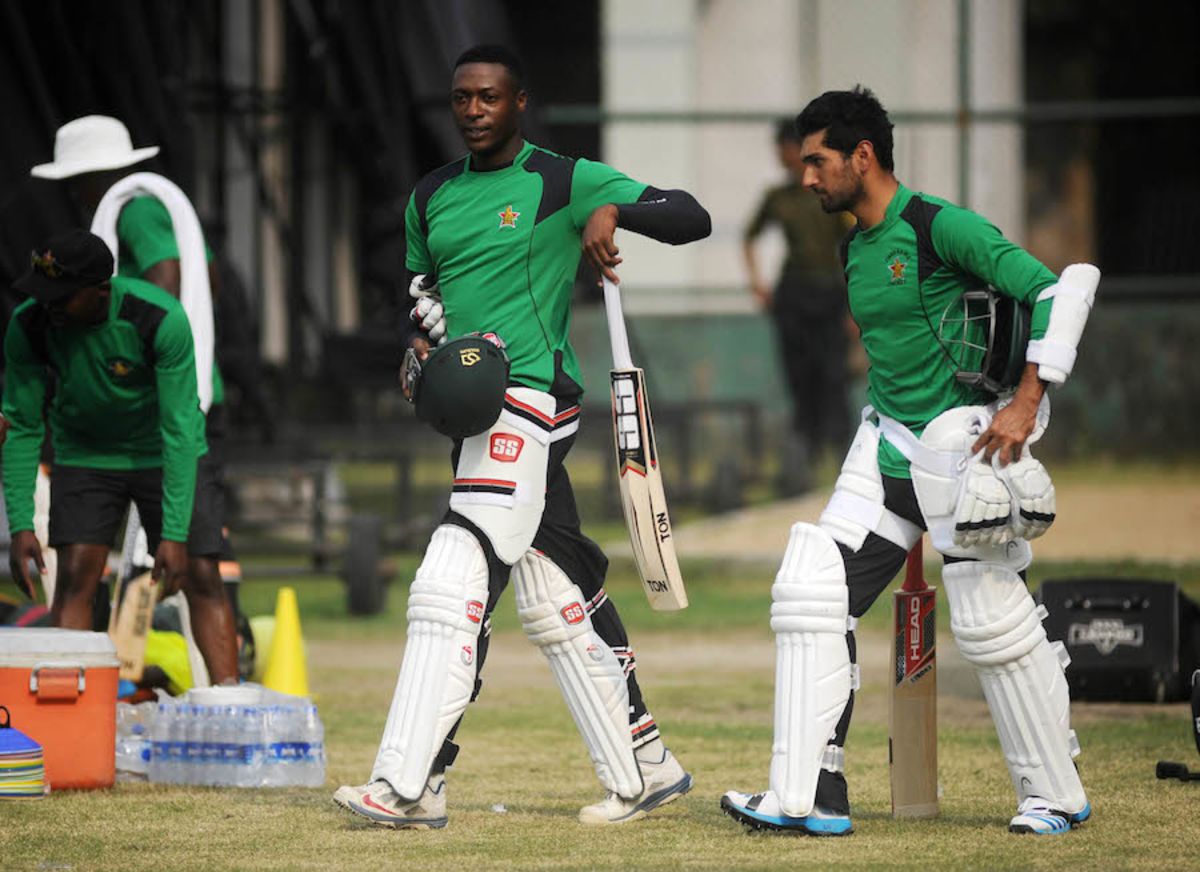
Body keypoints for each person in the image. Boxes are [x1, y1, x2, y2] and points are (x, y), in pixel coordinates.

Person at [333, 44, 711, 829]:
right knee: (554, 589)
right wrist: (416, 347)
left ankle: (410, 782)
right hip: (469, 415)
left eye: (489, 97)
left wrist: (614, 212)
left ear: (519, 102)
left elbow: (690, 216)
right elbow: (421, 299)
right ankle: (644, 762)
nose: (473, 111)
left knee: (453, 580)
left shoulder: (564, 180)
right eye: (462, 98)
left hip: (533, 400)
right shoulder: (431, 195)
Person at [721, 87, 1096, 836]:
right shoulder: (851, 247)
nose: (806, 177)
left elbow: (1058, 290)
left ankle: (1054, 795)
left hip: (963, 453)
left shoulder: (937, 225)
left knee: (991, 624)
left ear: (862, 156)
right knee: (812, 592)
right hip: (887, 447)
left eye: (818, 161)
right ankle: (811, 795)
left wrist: (1025, 402)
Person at [30, 116, 244, 676]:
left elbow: (166, 280)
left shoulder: (135, 209)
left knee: (195, 561)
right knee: (96, 566)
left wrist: (128, 355)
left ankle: (225, 694)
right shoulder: (159, 209)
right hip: (156, 403)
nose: (73, 194)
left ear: (89, 177)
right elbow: (209, 279)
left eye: (74, 182)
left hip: (161, 402)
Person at [3, 229, 239, 683]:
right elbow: (22, 423)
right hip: (85, 454)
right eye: (43, 293)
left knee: (201, 573)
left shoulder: (157, 318)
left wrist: (173, 534)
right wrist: (20, 523)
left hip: (164, 450)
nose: (49, 305)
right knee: (74, 577)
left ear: (100, 291)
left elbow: (178, 430)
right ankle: (67, 707)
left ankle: (229, 702)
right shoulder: (30, 325)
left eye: (62, 296)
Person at [744, 120, 854, 493]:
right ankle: (804, 461)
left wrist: (854, 306)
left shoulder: (828, 192)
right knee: (799, 376)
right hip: (794, 294)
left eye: (787, 146)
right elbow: (749, 237)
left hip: (829, 294)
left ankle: (844, 461)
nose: (783, 154)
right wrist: (758, 284)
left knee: (833, 375)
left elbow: (855, 243)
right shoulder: (778, 197)